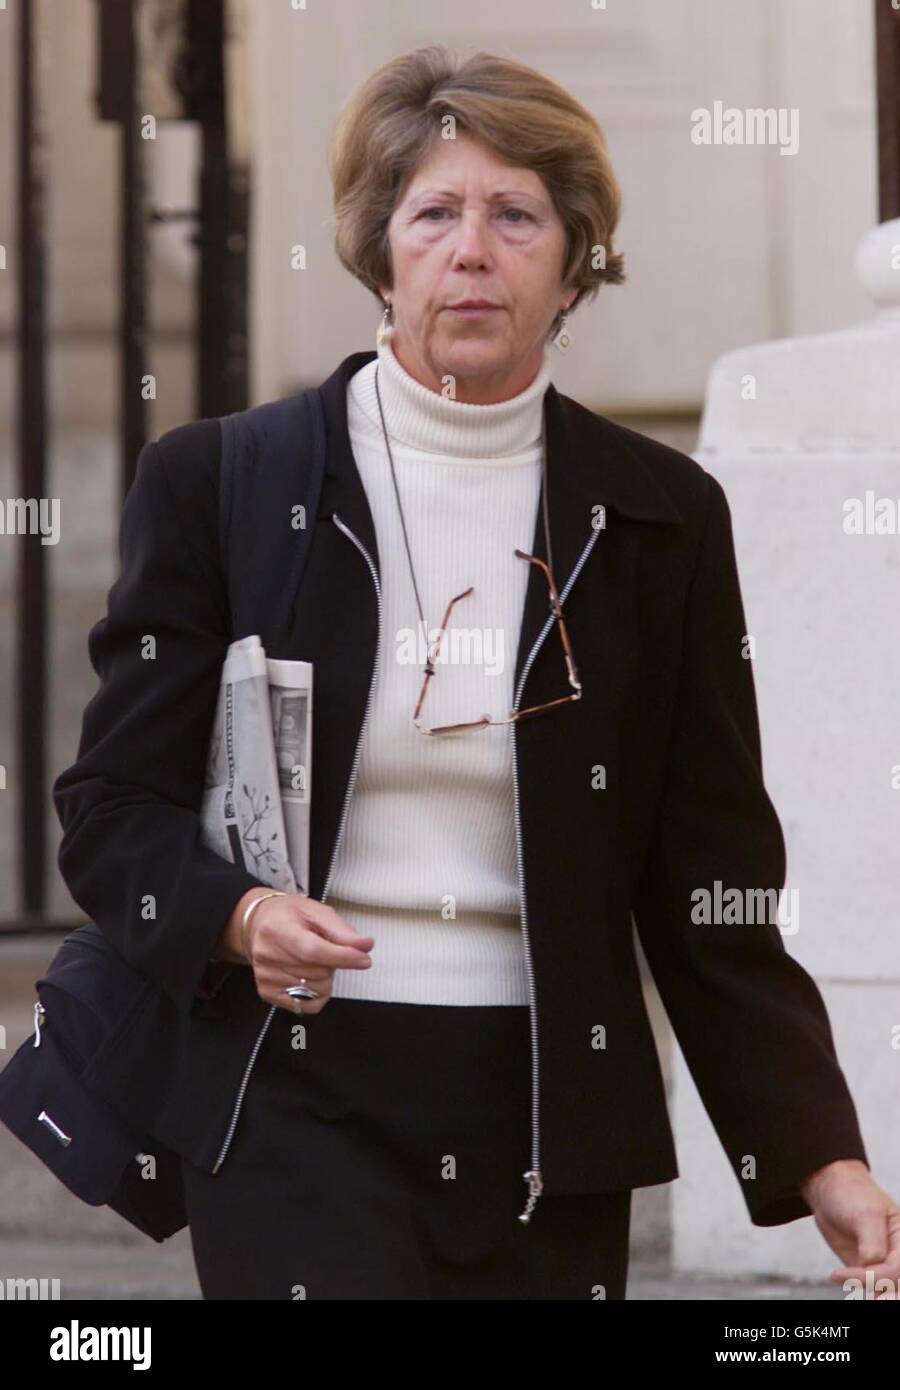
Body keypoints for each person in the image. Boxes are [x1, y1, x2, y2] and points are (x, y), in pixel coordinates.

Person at [53, 44, 899, 1300]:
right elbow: (114, 807)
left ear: (575, 262)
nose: (472, 251)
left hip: (553, 1112)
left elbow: (710, 874)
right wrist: (239, 916)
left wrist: (820, 1155)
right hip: (292, 1088)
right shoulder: (226, 484)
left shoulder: (658, 515)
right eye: (434, 214)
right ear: (379, 250)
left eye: (517, 216)